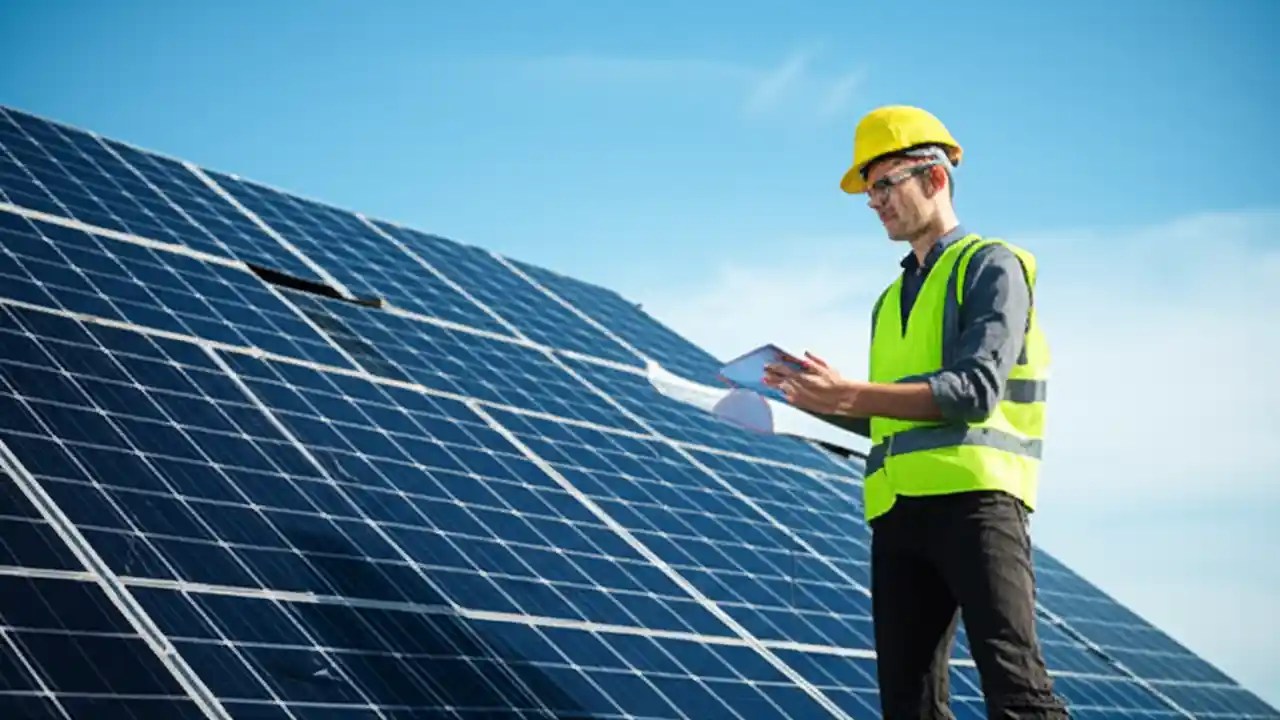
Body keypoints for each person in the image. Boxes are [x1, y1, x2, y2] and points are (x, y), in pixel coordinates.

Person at [763, 105, 1071, 720]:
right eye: (867, 191)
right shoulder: (887, 299)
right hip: (897, 516)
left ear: (934, 178)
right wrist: (813, 399)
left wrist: (850, 393)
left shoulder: (992, 265)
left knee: (1018, 695)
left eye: (883, 183)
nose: (873, 201)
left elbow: (975, 388)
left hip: (976, 504)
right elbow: (890, 415)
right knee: (909, 707)